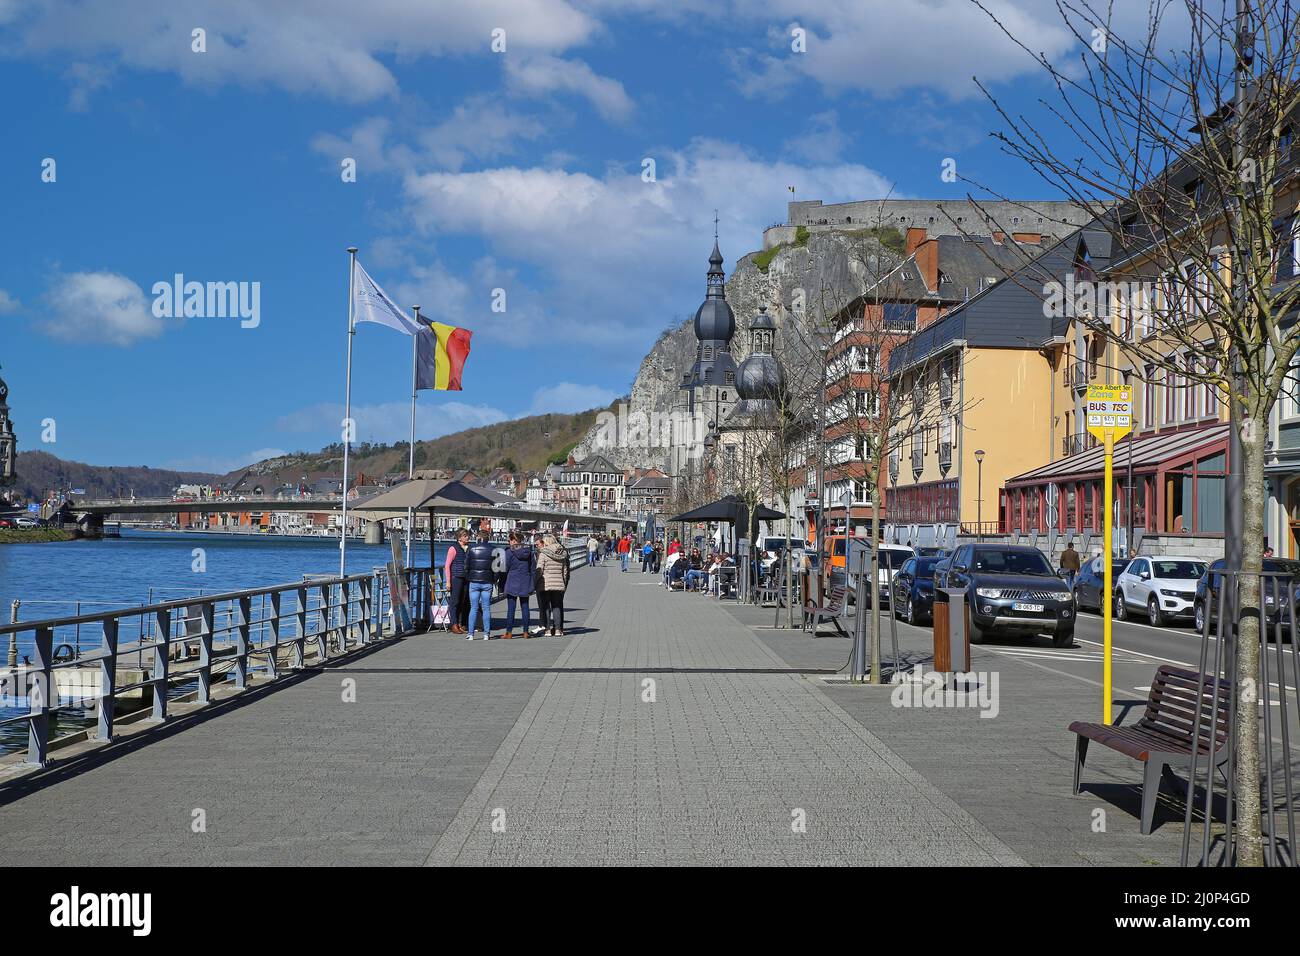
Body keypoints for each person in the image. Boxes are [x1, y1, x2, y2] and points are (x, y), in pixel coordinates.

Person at [465, 527, 496, 640]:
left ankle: (470, 634)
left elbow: (466, 566)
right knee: (486, 608)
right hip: (487, 581)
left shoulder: (471, 549)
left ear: (478, 538)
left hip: (474, 581)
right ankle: (486, 634)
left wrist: (469, 577)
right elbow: (497, 568)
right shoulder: (494, 550)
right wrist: (494, 579)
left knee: (473, 608)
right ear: (488, 539)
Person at [503, 531, 536, 639]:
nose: (509, 542)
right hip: (525, 581)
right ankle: (526, 632)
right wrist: (532, 582)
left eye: (510, 540)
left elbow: (504, 568)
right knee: (525, 607)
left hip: (512, 580)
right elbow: (533, 568)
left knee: (511, 608)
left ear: (513, 540)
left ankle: (509, 632)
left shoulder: (508, 552)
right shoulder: (529, 551)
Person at [537, 533, 570, 636]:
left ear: (546, 542)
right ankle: (558, 630)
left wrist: (536, 582)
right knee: (557, 606)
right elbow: (565, 571)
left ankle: (547, 630)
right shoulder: (562, 553)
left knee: (546, 606)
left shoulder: (543, 553)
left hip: (546, 583)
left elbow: (539, 569)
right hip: (558, 583)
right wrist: (563, 582)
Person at [444, 528, 471, 634]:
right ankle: (453, 624)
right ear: (459, 537)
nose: (467, 537)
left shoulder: (469, 548)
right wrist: (448, 581)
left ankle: (461, 623)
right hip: (456, 577)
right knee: (454, 602)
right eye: (465, 535)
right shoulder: (453, 548)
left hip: (466, 577)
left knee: (464, 601)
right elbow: (447, 565)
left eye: (467, 535)